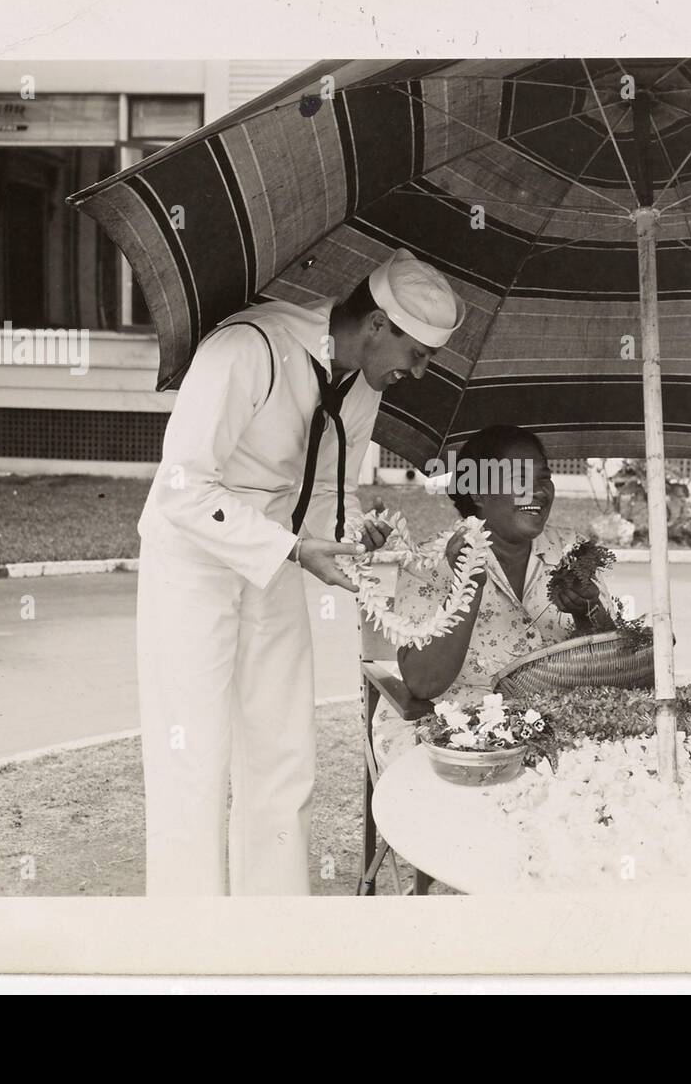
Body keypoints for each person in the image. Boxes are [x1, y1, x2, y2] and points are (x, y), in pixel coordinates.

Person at [136, 248, 466, 896]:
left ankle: (273, 937)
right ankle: (184, 947)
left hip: (275, 562)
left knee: (284, 757)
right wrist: (294, 548)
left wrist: (353, 546)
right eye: (417, 354)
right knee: (192, 762)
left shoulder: (365, 383)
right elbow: (181, 488)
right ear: (377, 326)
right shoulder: (247, 347)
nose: (419, 373)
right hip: (192, 564)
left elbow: (321, 498)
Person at [374, 425, 616, 768]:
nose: (539, 491)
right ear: (478, 492)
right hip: (452, 727)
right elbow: (424, 683)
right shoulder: (428, 562)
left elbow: (617, 664)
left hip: (558, 727)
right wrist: (467, 587)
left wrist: (588, 611)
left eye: (544, 477)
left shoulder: (572, 552)